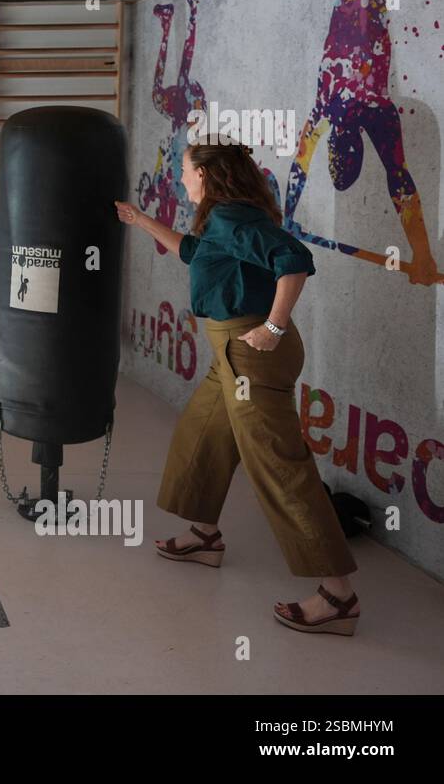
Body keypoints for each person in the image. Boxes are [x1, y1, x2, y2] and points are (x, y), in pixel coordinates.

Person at [115, 136, 361, 636]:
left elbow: (293, 260)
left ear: (204, 175)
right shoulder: (221, 220)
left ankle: (338, 595)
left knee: (275, 462)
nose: (181, 178)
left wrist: (272, 327)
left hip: (249, 353)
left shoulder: (231, 217)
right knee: (203, 435)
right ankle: (205, 536)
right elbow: (193, 252)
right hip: (228, 353)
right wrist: (139, 220)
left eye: (185, 170)